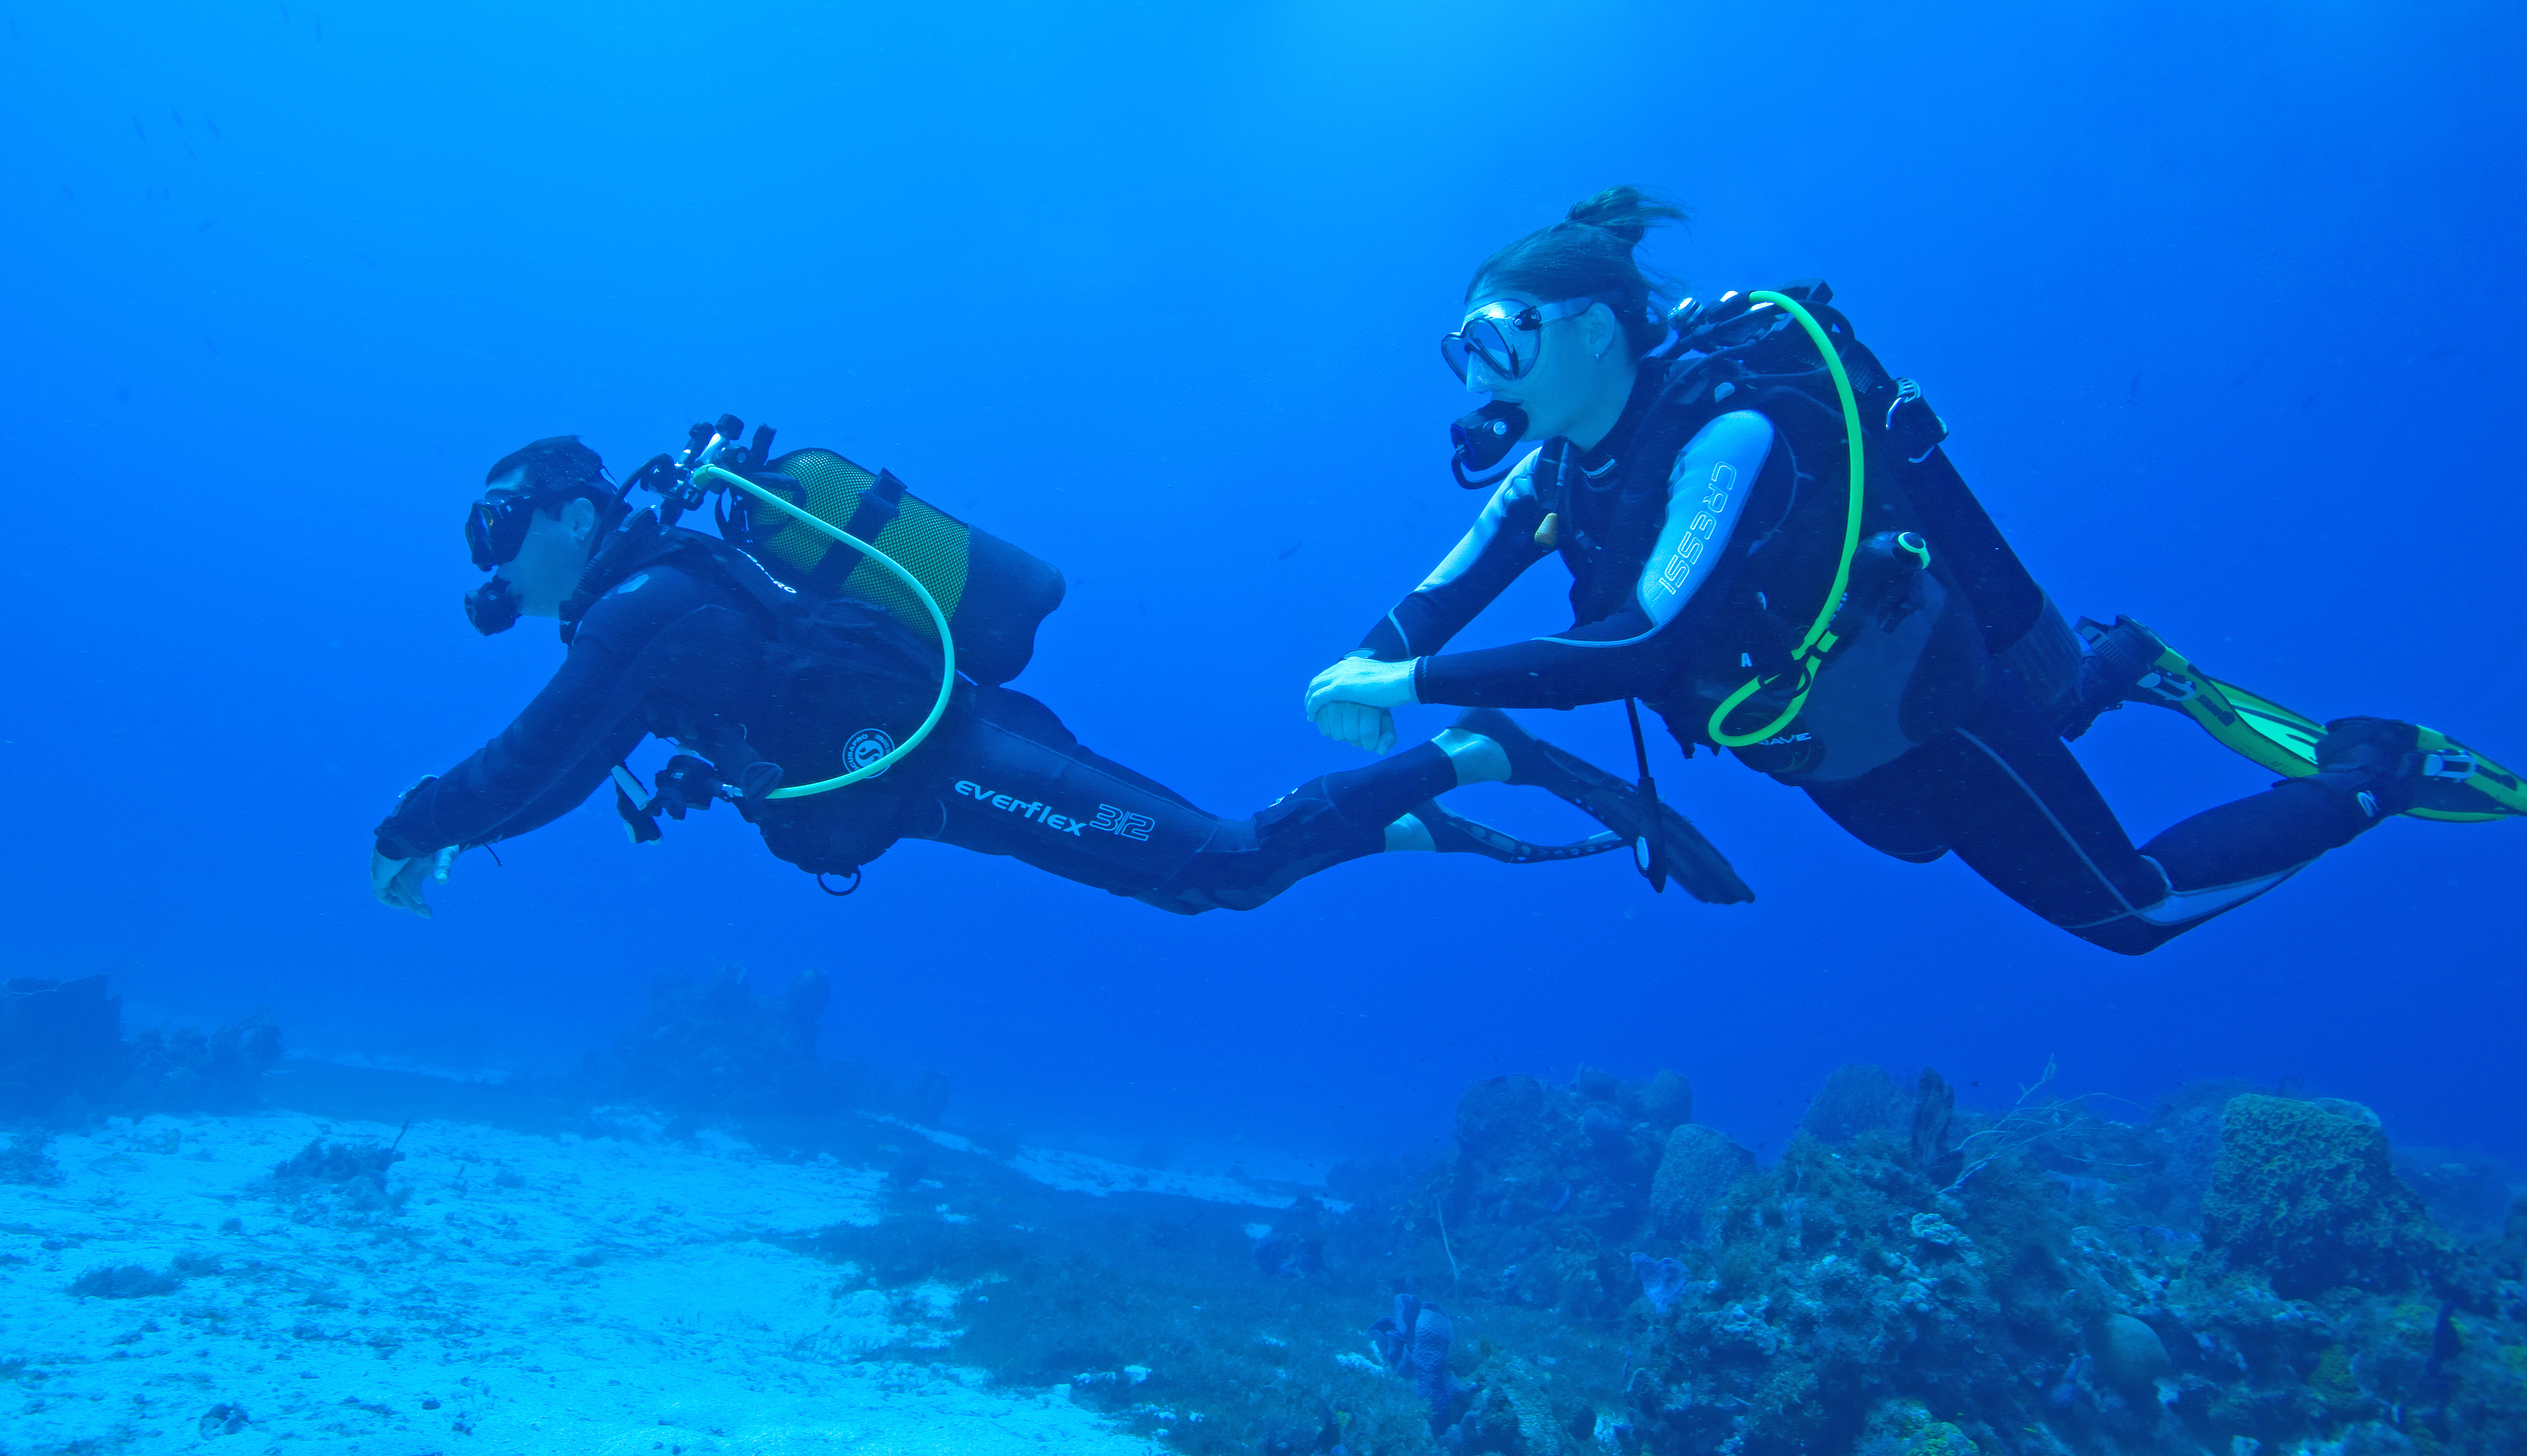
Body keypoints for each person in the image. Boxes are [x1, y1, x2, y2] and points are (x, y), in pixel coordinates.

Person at [1303, 186, 2513, 955]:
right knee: (1920, 843)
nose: (1478, 381)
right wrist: (1364, 663)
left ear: (1588, 326)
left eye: (1498, 341)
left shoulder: (1729, 434)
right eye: (1459, 349)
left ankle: (2375, 770)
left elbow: (1640, 643)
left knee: (2129, 913)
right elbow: (1430, 601)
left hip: (1929, 706)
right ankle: (2118, 666)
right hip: (1819, 740)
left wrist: (1403, 690)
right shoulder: (1559, 472)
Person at [371, 432, 1752, 918]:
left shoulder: (651, 603)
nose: (494, 561)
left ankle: (1472, 750)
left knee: (1214, 867)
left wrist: (413, 827)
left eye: (499, 527)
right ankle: (1412, 809)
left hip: (954, 757)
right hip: (935, 764)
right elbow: (566, 757)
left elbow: (536, 761)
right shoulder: (663, 589)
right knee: (1217, 878)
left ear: (565, 512)